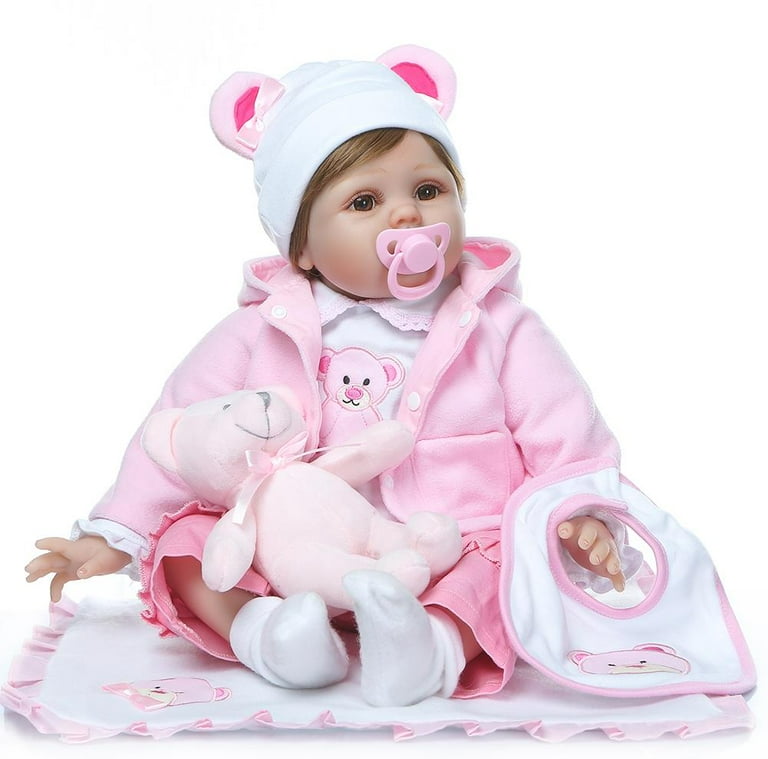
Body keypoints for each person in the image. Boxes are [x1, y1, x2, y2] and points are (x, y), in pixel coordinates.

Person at [24, 45, 639, 707]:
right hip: (285, 552)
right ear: (303, 247)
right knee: (187, 544)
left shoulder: (501, 327)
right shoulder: (259, 330)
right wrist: (115, 535)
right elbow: (179, 432)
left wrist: (583, 515)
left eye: (428, 190)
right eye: (365, 201)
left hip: (449, 542)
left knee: (502, 566)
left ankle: (430, 648)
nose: (407, 216)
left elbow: (564, 427)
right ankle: (269, 633)